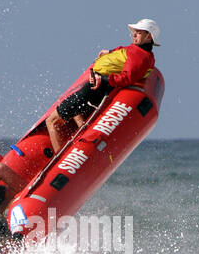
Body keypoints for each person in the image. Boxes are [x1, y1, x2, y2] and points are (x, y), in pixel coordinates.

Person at [45, 18, 160, 153]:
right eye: (135, 32)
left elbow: (127, 78)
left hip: (95, 88)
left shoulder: (139, 56)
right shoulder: (139, 51)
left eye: (139, 33)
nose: (134, 35)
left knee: (52, 121)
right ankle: (81, 139)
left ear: (149, 36)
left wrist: (104, 79)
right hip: (95, 85)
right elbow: (126, 51)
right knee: (76, 112)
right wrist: (110, 51)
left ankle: (60, 157)